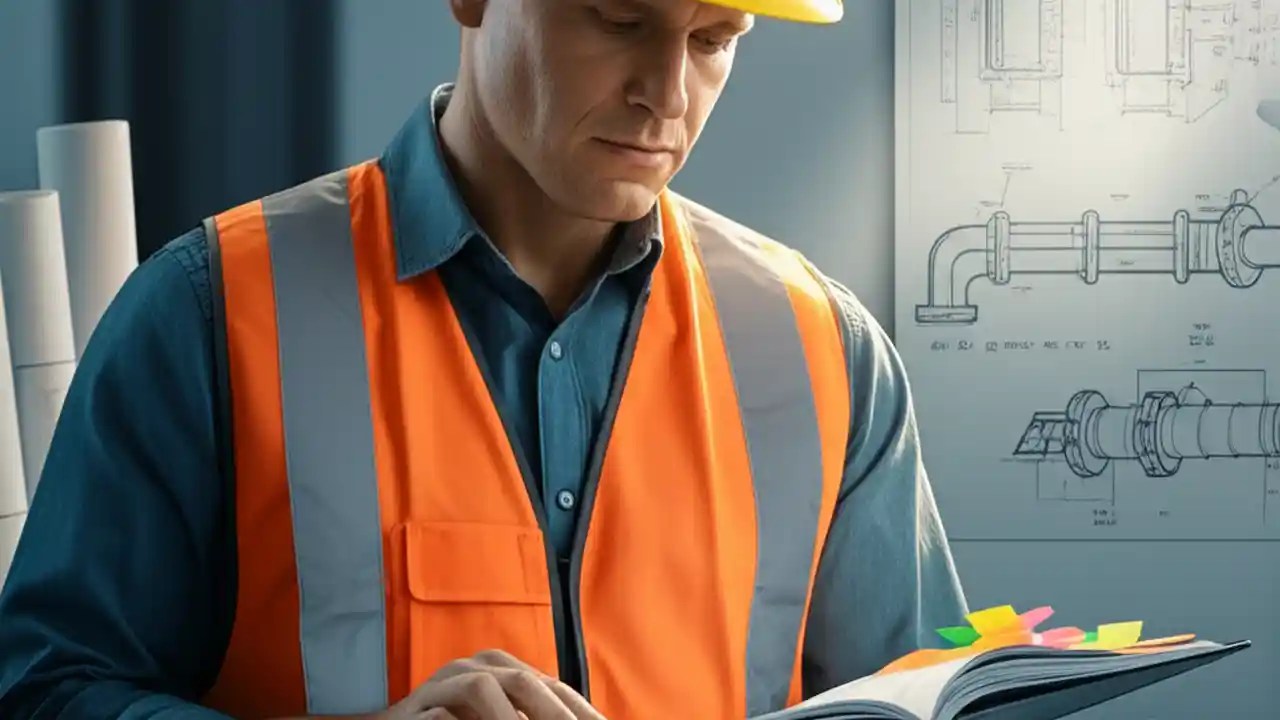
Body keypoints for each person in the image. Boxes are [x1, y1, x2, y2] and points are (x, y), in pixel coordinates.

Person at [0, 0, 969, 717]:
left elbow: (917, 698)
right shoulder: (208, 315)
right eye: (620, 18)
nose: (665, 94)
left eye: (713, 40)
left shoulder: (822, 356)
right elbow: (47, 692)